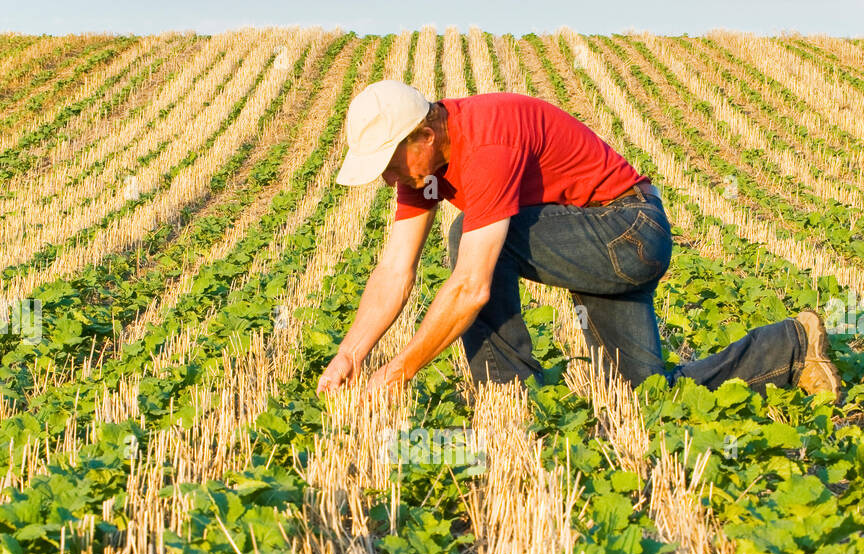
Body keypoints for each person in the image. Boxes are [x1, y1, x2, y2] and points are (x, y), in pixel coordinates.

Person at [316, 79, 841, 401]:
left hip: (628, 230)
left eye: (388, 163)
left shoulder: (488, 144)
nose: (387, 179)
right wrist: (350, 355)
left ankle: (507, 393)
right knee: (642, 395)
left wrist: (399, 371)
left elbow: (470, 288)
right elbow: (393, 270)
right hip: (590, 237)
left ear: (423, 136)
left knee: (469, 235)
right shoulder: (424, 169)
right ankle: (792, 346)